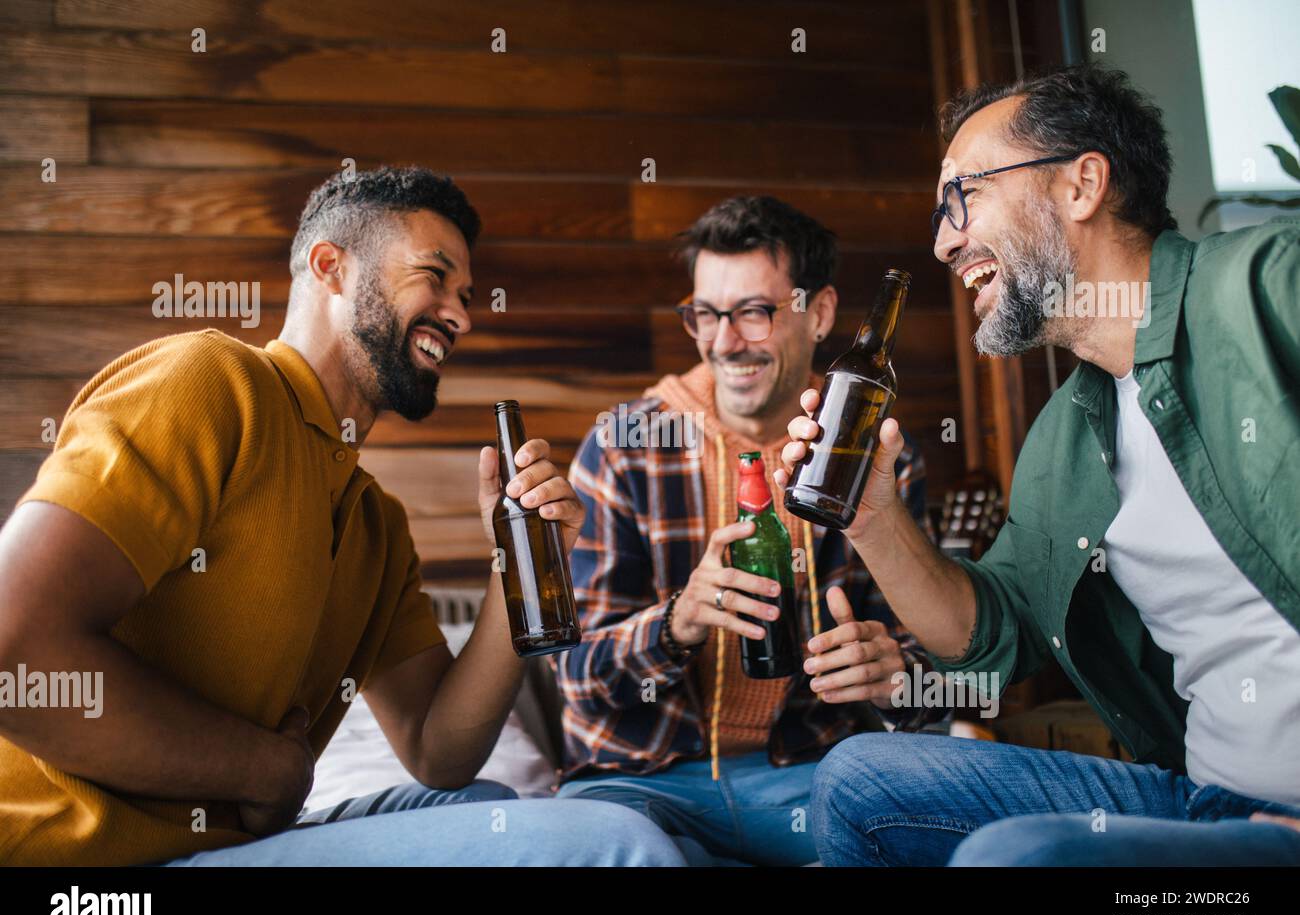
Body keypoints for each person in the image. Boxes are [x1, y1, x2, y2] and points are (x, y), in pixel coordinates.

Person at [0, 165, 684, 867]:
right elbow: (11, 645)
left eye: (468, 296)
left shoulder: (373, 524)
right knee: (615, 841)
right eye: (435, 276)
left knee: (478, 802)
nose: (462, 314)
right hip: (86, 870)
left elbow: (439, 750)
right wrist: (265, 770)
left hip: (226, 845)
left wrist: (519, 566)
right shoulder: (208, 382)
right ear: (330, 266)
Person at [778, 65, 1300, 866]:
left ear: (1082, 183)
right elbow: (990, 636)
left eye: (964, 198)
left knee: (1019, 860)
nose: (944, 241)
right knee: (860, 778)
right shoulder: (1065, 437)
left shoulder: (1268, 289)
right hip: (1204, 802)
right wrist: (875, 518)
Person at [553, 196, 943, 866]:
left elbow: (939, 684)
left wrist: (895, 677)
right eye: (706, 314)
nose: (724, 341)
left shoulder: (879, 459)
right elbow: (576, 676)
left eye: (754, 313)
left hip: (812, 777)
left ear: (818, 313)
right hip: (642, 786)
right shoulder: (626, 443)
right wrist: (677, 622)